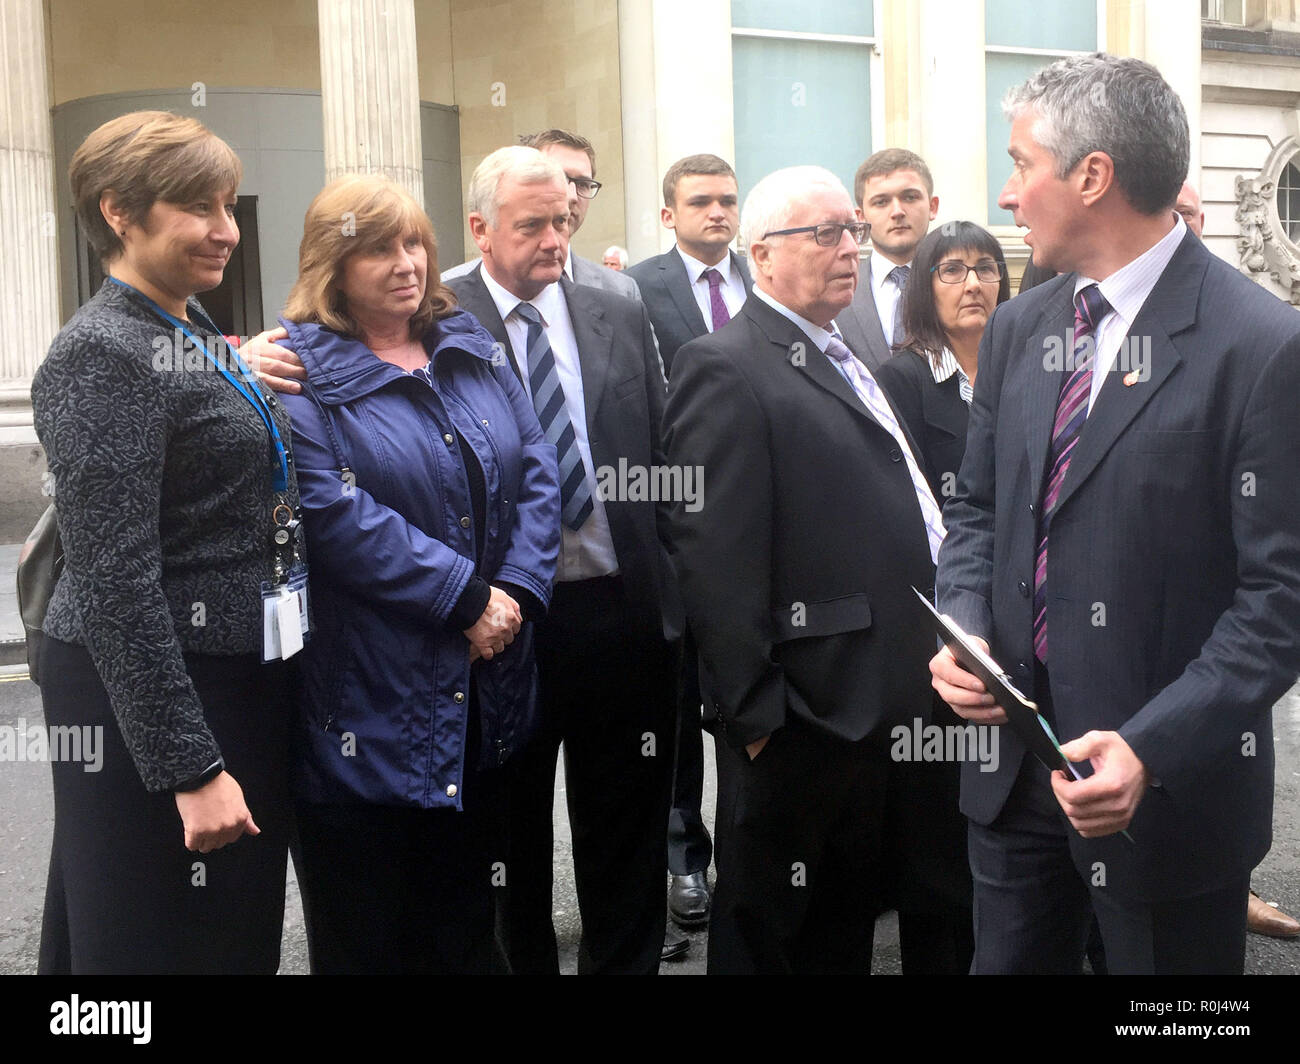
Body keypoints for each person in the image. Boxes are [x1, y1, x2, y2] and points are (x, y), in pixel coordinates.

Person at [931, 53, 1300, 974]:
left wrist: (1150, 747)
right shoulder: (1022, 326)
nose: (1008, 196)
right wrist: (965, 633)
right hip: (1013, 780)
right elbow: (976, 508)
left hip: (1169, 805)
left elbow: (1278, 604)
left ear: (1091, 176)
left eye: (1021, 165)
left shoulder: (1262, 346)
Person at [33, 111, 302, 974]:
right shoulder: (102, 353)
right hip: (162, 695)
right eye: (198, 208)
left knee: (194, 930)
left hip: (225, 678)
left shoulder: (181, 327)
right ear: (120, 211)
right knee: (160, 942)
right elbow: (113, 579)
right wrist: (189, 768)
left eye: (228, 205)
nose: (227, 230)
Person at [272, 173, 560, 973]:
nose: (406, 264)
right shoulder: (298, 367)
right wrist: (464, 599)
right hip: (370, 700)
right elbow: (331, 511)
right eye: (377, 250)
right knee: (371, 938)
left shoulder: (467, 342)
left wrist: (514, 597)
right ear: (331, 266)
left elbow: (538, 466)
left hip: (485, 688)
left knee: (469, 929)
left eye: (414, 246)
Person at [663, 165, 944, 973]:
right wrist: (754, 720)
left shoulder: (838, 350)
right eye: (824, 234)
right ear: (762, 254)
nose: (848, 247)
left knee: (838, 930)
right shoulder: (725, 364)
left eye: (848, 230)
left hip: (874, 703)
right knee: (775, 935)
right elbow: (713, 558)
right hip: (801, 720)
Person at [444, 146, 681, 974]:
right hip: (505, 622)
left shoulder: (616, 309)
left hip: (620, 615)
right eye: (532, 224)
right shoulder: (434, 320)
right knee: (508, 840)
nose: (557, 236)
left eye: (564, 218)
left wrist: (672, 599)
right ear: (479, 228)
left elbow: (659, 455)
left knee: (627, 830)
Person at [872, 221, 1009, 974]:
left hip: (1017, 617)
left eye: (985, 268)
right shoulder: (900, 380)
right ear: (925, 285)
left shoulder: (1025, 364)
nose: (972, 283)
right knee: (938, 822)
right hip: (939, 625)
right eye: (952, 270)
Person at [626, 153, 751, 936]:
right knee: (674, 709)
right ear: (669, 213)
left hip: (756, 515)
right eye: (700, 202)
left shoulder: (765, 277)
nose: (718, 214)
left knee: (744, 691)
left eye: (727, 201)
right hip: (673, 517)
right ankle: (684, 861)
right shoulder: (634, 290)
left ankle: (753, 858)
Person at [443, 129, 642, 303]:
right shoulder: (444, 300)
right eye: (559, 178)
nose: (570, 196)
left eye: (583, 184)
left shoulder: (621, 294)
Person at [837, 148, 939, 370]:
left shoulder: (961, 284)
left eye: (910, 197)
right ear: (860, 217)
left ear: (933, 206)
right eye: (881, 202)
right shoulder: (836, 292)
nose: (897, 211)